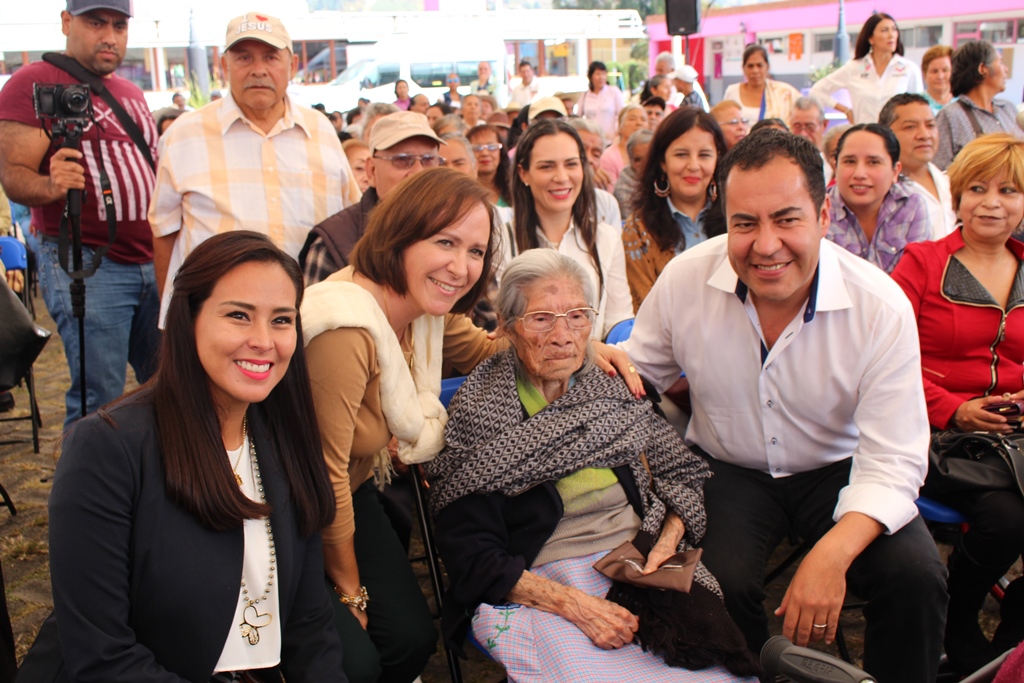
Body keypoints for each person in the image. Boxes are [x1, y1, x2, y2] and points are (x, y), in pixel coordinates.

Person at [622, 129, 947, 683]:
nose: (766, 245)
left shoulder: (879, 305)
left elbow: (895, 457)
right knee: (715, 583)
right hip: (730, 468)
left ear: (823, 215)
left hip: (841, 469)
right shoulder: (685, 280)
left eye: (787, 219)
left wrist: (832, 555)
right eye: (745, 223)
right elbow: (637, 376)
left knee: (916, 578)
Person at [16, 231, 345, 681]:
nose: (263, 340)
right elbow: (102, 654)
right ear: (188, 320)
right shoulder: (106, 448)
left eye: (281, 320)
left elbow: (310, 623)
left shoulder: (286, 440)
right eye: (239, 315)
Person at [426, 249, 761, 683]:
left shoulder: (613, 386)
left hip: (636, 560)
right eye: (541, 319)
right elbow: (470, 551)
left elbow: (682, 472)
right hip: (541, 576)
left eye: (577, 317)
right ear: (507, 326)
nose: (563, 336)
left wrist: (666, 541)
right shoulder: (481, 408)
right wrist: (575, 606)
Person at [301, 169, 498, 683]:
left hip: (352, 488)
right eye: (445, 242)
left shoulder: (424, 306)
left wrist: (584, 345)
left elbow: (488, 353)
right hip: (290, 508)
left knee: (411, 641)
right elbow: (324, 475)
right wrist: (351, 593)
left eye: (476, 251)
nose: (461, 267)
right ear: (400, 235)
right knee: (360, 660)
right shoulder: (346, 327)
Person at [891, 133, 1024, 677]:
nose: (992, 203)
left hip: (1014, 437)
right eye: (978, 189)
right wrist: (953, 408)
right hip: (937, 434)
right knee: (1006, 521)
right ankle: (958, 615)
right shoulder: (922, 264)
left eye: (1009, 190)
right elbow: (884, 361)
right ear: (958, 197)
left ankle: (1016, 627)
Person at [0, 0, 161, 426]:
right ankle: (89, 470)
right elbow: (14, 176)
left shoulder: (130, 92)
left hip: (153, 260)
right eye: (96, 23)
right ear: (67, 22)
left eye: (119, 26)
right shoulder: (34, 81)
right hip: (88, 262)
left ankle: (154, 467)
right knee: (100, 396)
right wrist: (52, 186)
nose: (109, 36)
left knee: (167, 384)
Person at [150, 12, 359, 324]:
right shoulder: (184, 135)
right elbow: (164, 232)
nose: (258, 69)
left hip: (311, 319)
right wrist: (174, 320)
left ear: (293, 65)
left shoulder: (321, 130)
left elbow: (348, 222)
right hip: (216, 325)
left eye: (271, 57)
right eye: (244, 57)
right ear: (225, 66)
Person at [507, 119, 634, 338]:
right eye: (547, 166)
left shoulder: (605, 238)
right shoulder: (501, 238)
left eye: (571, 164)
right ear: (523, 173)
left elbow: (618, 322)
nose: (562, 177)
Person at [300, 111, 444, 285]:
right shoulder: (333, 243)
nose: (418, 172)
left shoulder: (459, 228)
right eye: (402, 160)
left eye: (428, 159)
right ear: (372, 170)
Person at [621, 107, 726, 309]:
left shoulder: (737, 219)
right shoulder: (637, 231)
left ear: (717, 159)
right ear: (663, 161)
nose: (693, 165)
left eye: (704, 155)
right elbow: (646, 310)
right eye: (681, 154)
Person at [827, 123, 927, 273]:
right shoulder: (817, 209)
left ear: (895, 171)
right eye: (849, 161)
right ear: (835, 167)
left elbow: (915, 276)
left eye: (873, 162)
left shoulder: (911, 206)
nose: (859, 174)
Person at [810, 12, 924, 124]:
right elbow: (816, 91)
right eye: (884, 30)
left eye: (894, 29)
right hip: (864, 132)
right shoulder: (855, 67)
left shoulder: (909, 69)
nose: (891, 35)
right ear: (871, 38)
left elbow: (919, 107)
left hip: (895, 134)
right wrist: (846, 110)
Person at [934, 40, 1024, 170]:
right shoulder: (950, 116)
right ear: (982, 69)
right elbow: (939, 170)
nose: (1006, 69)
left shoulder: (1008, 109)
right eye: (1000, 62)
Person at [879, 93, 957, 238]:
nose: (924, 135)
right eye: (910, 127)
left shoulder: (951, 182)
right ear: (886, 134)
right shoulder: (879, 191)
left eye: (930, 125)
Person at [723, 45, 802, 124]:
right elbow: (724, 121)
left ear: (767, 67)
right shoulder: (732, 92)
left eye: (759, 65)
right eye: (750, 66)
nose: (755, 71)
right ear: (743, 69)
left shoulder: (785, 93)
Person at [598, 104, 648, 192]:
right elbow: (610, 192)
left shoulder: (653, 153)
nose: (639, 123)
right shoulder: (608, 157)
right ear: (620, 126)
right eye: (632, 119)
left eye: (643, 119)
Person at [467, 123, 513, 207]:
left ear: (501, 152)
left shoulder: (514, 189)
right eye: (477, 148)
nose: (485, 153)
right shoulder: (462, 192)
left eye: (492, 147)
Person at [789, 97, 833, 183]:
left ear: (824, 125)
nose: (803, 134)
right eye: (797, 126)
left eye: (810, 127)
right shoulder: (783, 163)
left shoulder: (833, 165)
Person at [578, 61, 625, 141]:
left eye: (603, 74)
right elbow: (578, 117)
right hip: (591, 140)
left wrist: (618, 133)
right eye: (598, 74)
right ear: (591, 76)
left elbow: (622, 114)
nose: (601, 77)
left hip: (610, 139)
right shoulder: (585, 95)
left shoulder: (613, 92)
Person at [613, 129, 653, 221]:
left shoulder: (666, 177)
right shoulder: (624, 188)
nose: (645, 164)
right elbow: (635, 223)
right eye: (638, 160)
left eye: (650, 157)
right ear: (630, 160)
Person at [920, 45, 954, 115]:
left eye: (945, 70)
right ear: (924, 74)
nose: (940, 76)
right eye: (934, 71)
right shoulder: (915, 104)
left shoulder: (963, 104)